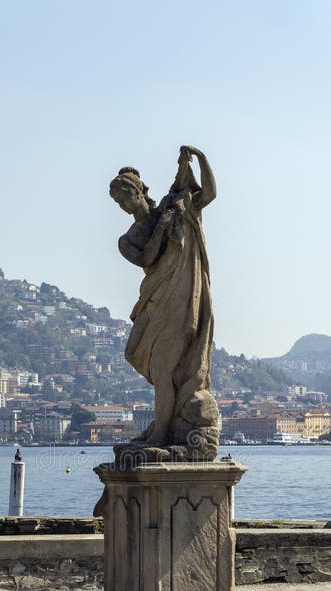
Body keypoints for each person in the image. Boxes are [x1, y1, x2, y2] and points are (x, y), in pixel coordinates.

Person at [109, 146, 219, 457]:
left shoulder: (176, 207)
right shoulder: (127, 239)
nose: (122, 205)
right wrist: (163, 224)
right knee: (134, 352)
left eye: (124, 197)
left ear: (139, 192)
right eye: (117, 202)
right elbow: (147, 256)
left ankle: (162, 431)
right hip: (155, 298)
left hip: (180, 297)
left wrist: (200, 159)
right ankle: (165, 422)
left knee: (162, 368)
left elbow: (208, 194)